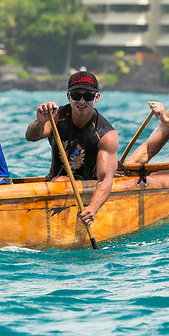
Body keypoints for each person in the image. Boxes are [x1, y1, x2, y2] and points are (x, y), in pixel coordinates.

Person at [26, 71, 120, 225]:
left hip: (87, 187)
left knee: (61, 180)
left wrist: (93, 208)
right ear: (69, 97)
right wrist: (40, 121)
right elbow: (31, 136)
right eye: (76, 95)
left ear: (96, 98)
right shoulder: (56, 117)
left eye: (88, 96)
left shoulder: (106, 135)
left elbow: (105, 179)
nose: (81, 101)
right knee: (59, 180)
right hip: (54, 182)